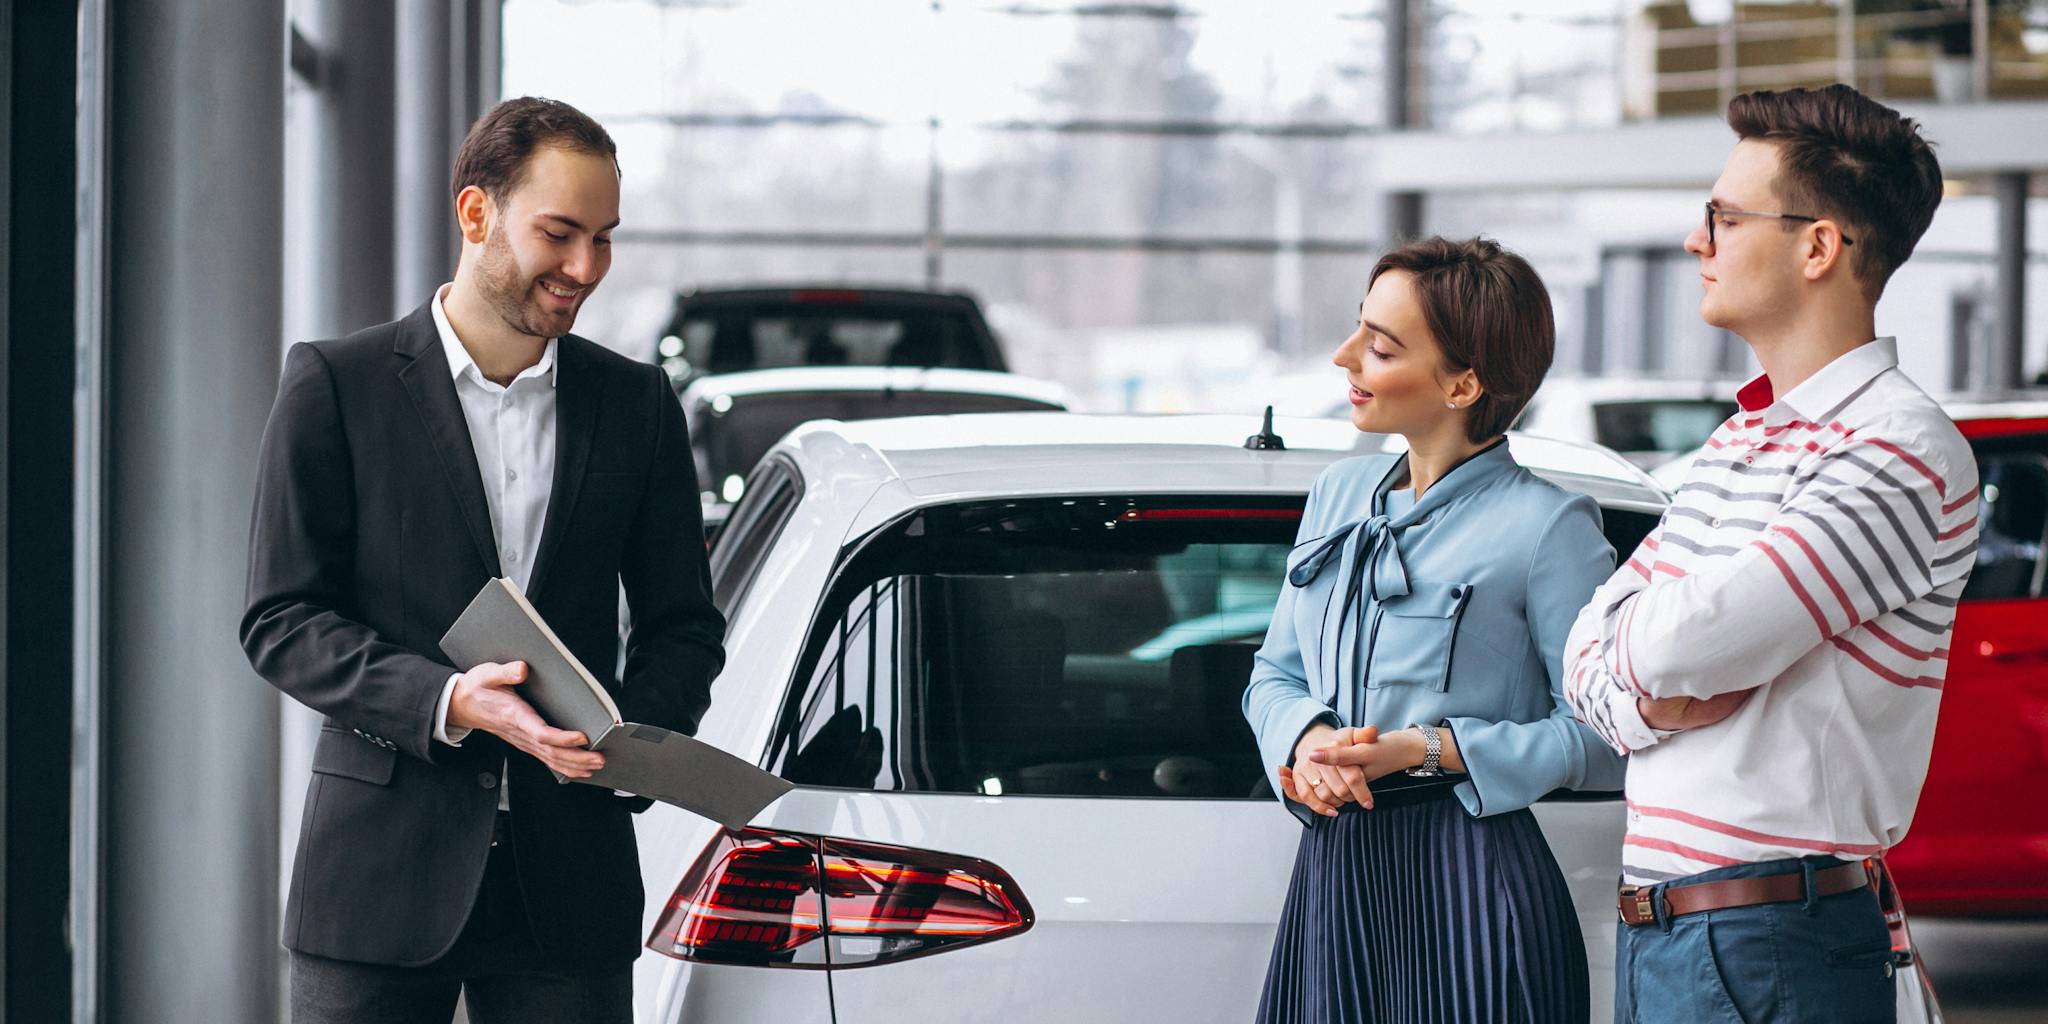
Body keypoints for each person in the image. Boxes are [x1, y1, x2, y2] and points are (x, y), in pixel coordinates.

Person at [241, 96, 725, 1022]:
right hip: (379, 879)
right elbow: (281, 620)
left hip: (568, 884)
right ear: (476, 215)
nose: (585, 269)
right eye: (559, 233)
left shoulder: (637, 406)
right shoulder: (337, 385)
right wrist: (448, 700)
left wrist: (631, 744)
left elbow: (684, 626)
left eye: (605, 238)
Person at [1562, 85, 1978, 1024]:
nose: (1694, 242)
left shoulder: (1899, 448)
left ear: (1818, 246)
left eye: (1723, 216)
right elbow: (1583, 643)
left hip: (1769, 939)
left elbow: (1680, 641)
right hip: (1669, 929)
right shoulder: (1739, 440)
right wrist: (1643, 696)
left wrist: (1639, 667)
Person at [1243, 236, 1627, 1023]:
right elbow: (1272, 673)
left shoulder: (1550, 527)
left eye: (1380, 347)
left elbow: (1604, 735)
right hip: (1335, 877)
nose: (1344, 357)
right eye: (1358, 330)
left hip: (1472, 881)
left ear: (1464, 383)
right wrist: (1306, 741)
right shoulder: (1336, 495)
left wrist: (1429, 752)